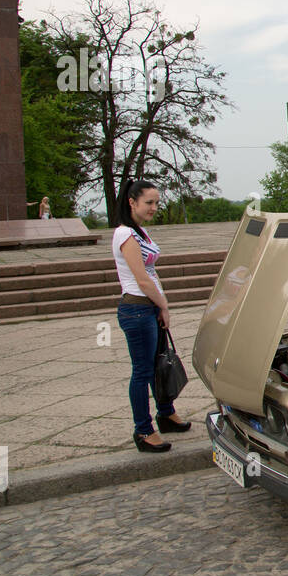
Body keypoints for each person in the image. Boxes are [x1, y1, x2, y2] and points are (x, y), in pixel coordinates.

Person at [113, 178, 189, 452]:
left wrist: (159, 305)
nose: (154, 207)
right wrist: (164, 305)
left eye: (157, 202)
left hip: (149, 307)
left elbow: (151, 273)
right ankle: (144, 431)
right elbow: (142, 279)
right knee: (142, 371)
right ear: (132, 202)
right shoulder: (125, 234)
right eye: (148, 202)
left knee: (159, 363)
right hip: (136, 310)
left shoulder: (140, 232)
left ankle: (166, 413)